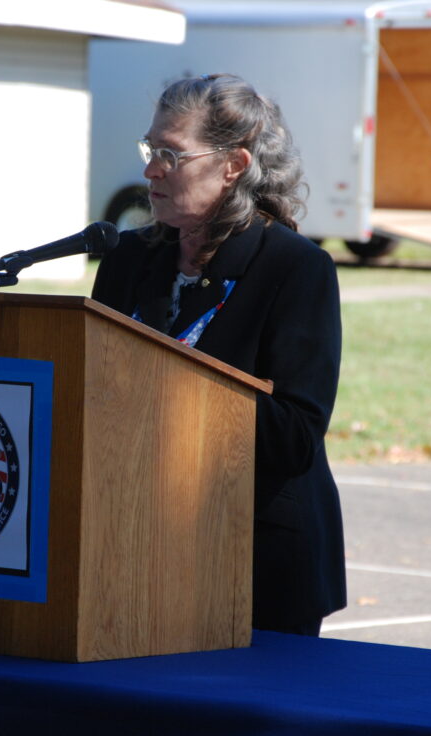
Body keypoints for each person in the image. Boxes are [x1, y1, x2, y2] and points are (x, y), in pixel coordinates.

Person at [91, 74, 345, 636]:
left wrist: (167, 382)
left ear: (233, 166)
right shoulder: (127, 259)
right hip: (138, 538)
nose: (150, 169)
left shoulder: (294, 268)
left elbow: (296, 434)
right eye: (148, 150)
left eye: (169, 154)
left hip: (256, 555)